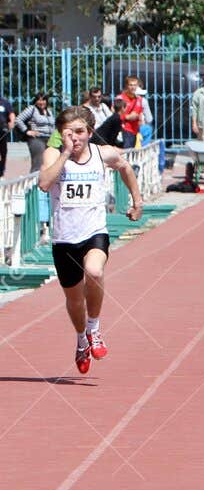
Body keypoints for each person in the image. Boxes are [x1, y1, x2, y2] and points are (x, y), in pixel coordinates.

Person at [39, 106, 142, 374]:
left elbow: (125, 166)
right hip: (64, 238)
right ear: (61, 134)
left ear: (90, 132)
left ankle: (94, 330)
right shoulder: (53, 153)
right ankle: (81, 338)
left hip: (94, 231)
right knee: (74, 301)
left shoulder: (102, 153)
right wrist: (63, 154)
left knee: (94, 271)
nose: (76, 138)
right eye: (69, 132)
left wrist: (137, 201)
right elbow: (44, 183)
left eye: (81, 132)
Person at [16, 94, 52, 172]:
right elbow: (18, 119)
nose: (41, 102)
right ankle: (34, 183)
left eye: (43, 100)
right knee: (38, 163)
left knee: (50, 162)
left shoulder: (49, 110)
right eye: (39, 100)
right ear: (35, 101)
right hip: (37, 139)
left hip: (49, 139)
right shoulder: (32, 109)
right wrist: (27, 131)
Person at [117, 76, 145, 150]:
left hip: (135, 130)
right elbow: (115, 114)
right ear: (126, 86)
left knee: (132, 153)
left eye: (135, 85)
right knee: (126, 153)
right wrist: (127, 117)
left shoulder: (139, 99)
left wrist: (139, 118)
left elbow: (137, 114)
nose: (133, 87)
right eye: (131, 85)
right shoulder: (120, 98)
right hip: (124, 130)